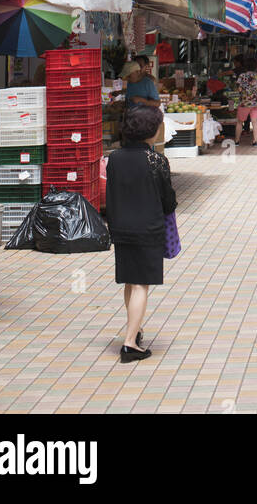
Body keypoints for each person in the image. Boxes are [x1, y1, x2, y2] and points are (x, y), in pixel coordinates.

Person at [105, 104, 176, 363]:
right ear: (152, 130)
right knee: (140, 285)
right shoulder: (156, 160)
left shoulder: (114, 157)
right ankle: (130, 344)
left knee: (129, 281)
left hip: (120, 228)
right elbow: (168, 200)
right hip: (148, 228)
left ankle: (134, 330)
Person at [232, 58, 257, 147]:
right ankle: (255, 141)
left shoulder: (242, 76)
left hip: (244, 102)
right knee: (254, 122)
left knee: (239, 122)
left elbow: (239, 88)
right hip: (255, 103)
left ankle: (237, 141)